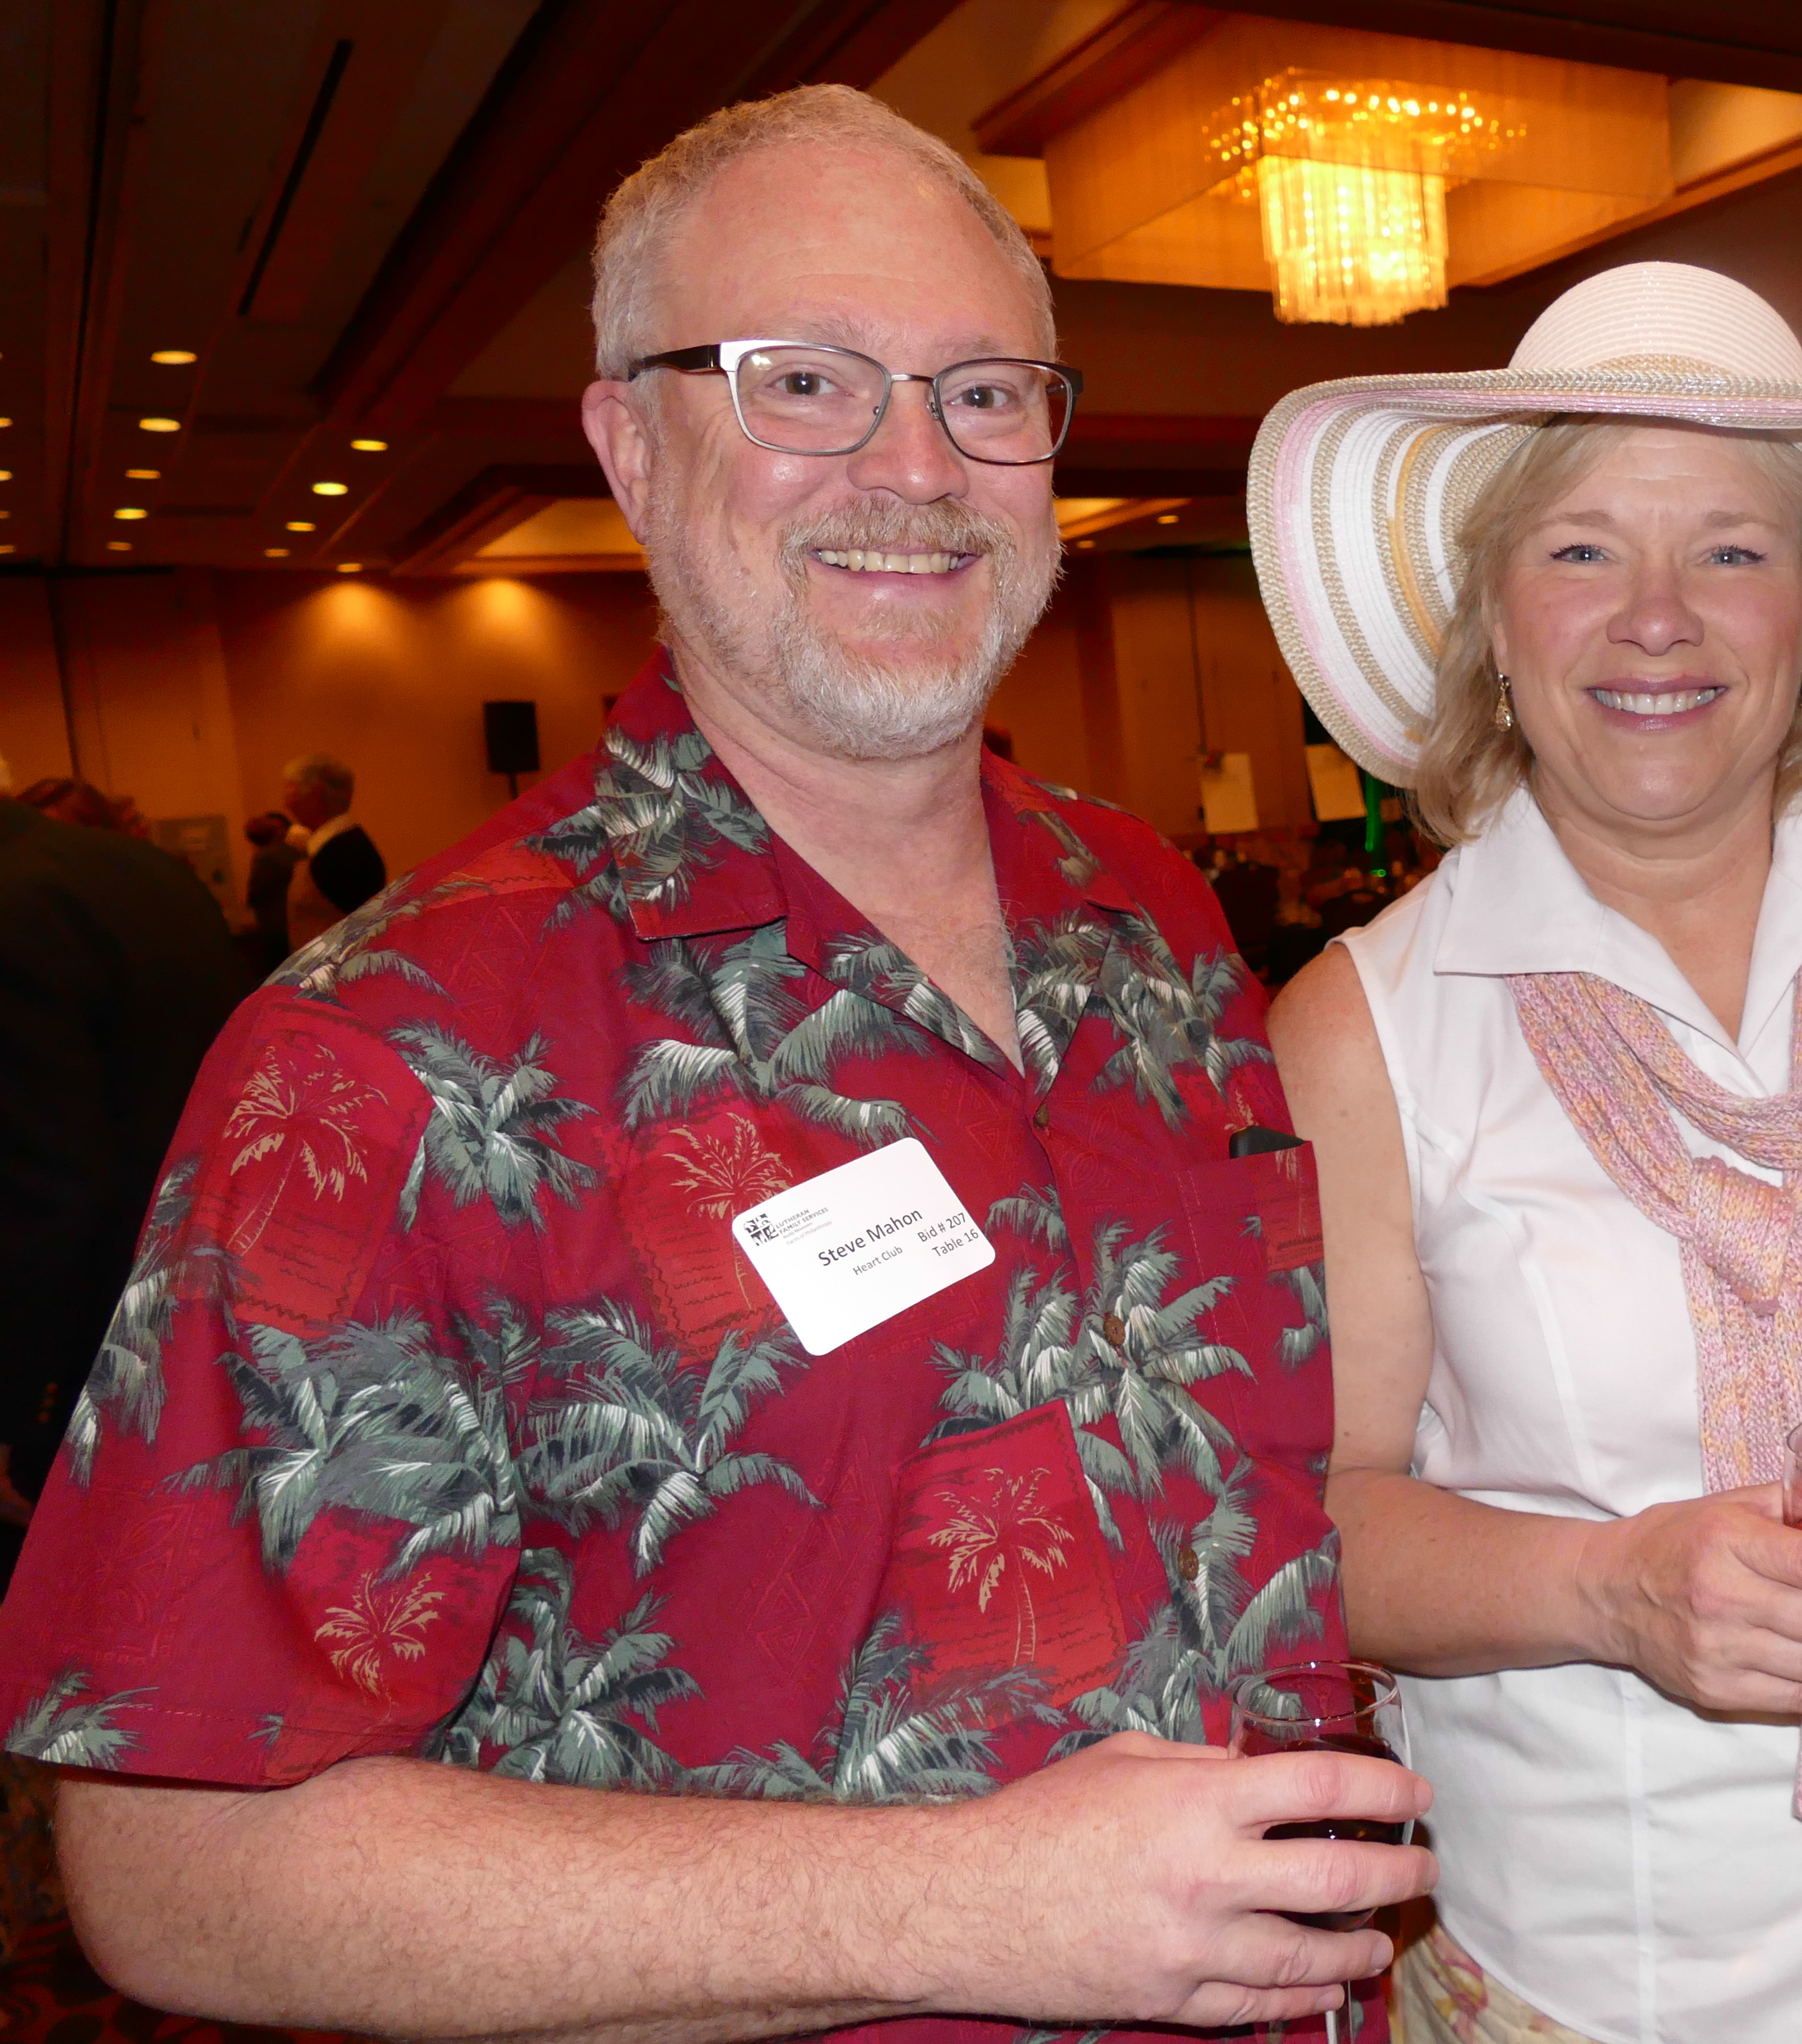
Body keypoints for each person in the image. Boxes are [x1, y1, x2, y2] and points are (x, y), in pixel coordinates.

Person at [0, 84, 1428, 2042]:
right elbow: (173, 1863)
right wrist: (952, 1902)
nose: (916, 466)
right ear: (629, 439)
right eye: (805, 383)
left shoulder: (1154, 918)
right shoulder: (391, 1058)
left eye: (986, 394)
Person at [1260, 263, 1802, 2044]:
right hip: (1612, 1963)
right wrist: (1611, 1587)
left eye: (1734, 550)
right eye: (1582, 550)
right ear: (1493, 622)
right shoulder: (1366, 1021)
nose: (1657, 616)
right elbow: (1322, 1529)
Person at [0, 797, 254, 1578]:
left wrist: (20, 1404)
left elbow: (50, 1187)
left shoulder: (16, 907)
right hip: (230, 1279)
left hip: (93, 1340)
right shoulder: (138, 870)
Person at [278, 752, 384, 948]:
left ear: (316, 794)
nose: (286, 803)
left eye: (290, 792)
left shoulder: (340, 853)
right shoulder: (340, 845)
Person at [240, 811, 303, 974]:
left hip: (273, 923)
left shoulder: (265, 857)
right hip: (293, 919)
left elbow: (257, 891)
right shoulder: (295, 853)